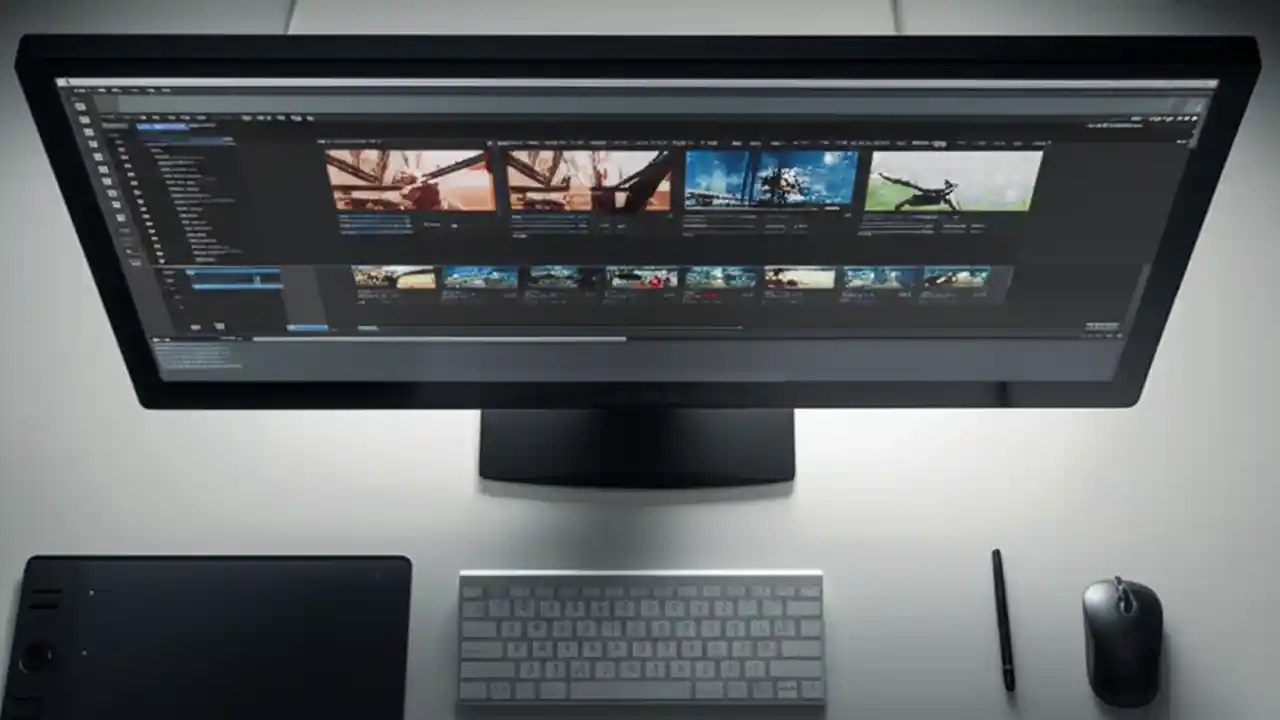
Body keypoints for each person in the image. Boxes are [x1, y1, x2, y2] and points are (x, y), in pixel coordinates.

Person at [878, 173, 961, 212]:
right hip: (920, 199)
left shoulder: (943, 192)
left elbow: (950, 189)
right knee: (905, 201)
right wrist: (885, 177)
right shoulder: (921, 188)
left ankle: (955, 211)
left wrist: (952, 187)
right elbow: (900, 182)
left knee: (946, 198)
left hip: (931, 199)